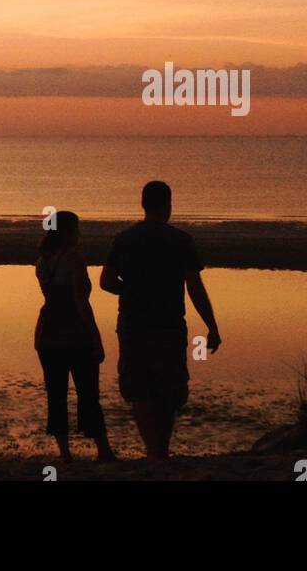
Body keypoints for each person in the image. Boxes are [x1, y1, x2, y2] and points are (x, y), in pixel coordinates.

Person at [99, 180, 220, 463]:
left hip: (132, 322)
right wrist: (212, 326)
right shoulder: (181, 240)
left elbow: (105, 282)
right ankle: (161, 449)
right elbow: (195, 287)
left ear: (143, 204)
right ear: (168, 205)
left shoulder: (124, 239)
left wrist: (130, 290)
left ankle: (152, 449)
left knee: (138, 386)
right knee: (169, 386)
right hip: (168, 323)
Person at [33, 210, 115, 462]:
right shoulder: (75, 259)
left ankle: (65, 453)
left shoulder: (42, 261)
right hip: (74, 331)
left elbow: (53, 298)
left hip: (47, 331)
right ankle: (103, 450)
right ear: (68, 232)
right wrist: (96, 338)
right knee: (88, 392)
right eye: (77, 229)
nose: (80, 233)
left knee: (56, 393)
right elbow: (81, 303)